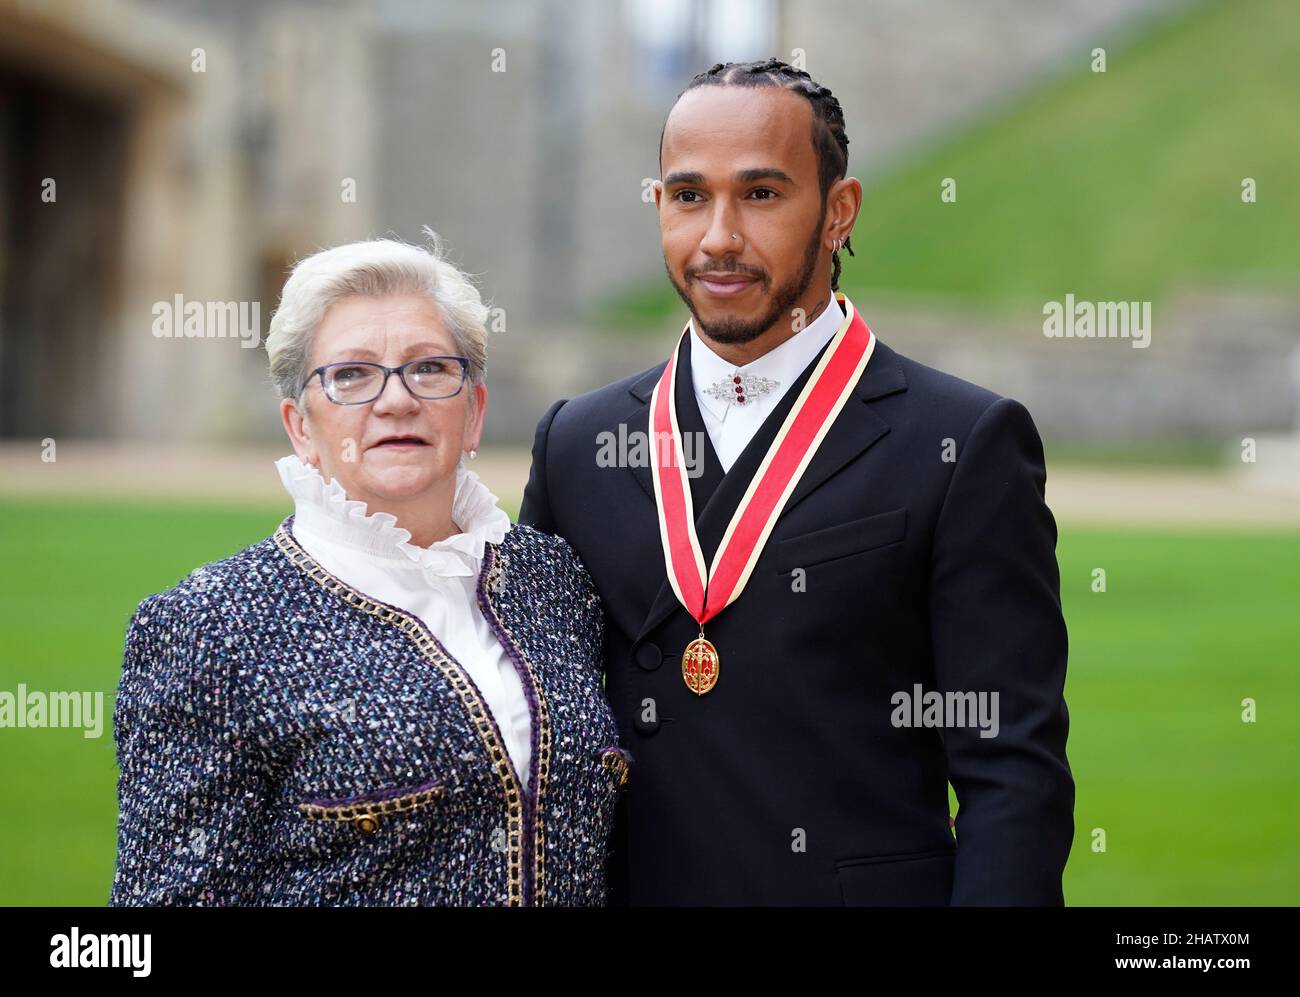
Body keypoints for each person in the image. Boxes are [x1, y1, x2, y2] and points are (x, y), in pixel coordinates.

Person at [520, 59, 1075, 905]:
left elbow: (1012, 776)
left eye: (763, 195)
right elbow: (531, 724)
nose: (719, 238)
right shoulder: (577, 441)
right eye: (687, 195)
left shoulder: (963, 440)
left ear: (838, 212)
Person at [109, 232, 627, 906]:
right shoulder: (209, 627)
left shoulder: (553, 580)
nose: (396, 400)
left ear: (474, 412)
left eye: (430, 368)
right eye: (351, 374)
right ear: (301, 427)